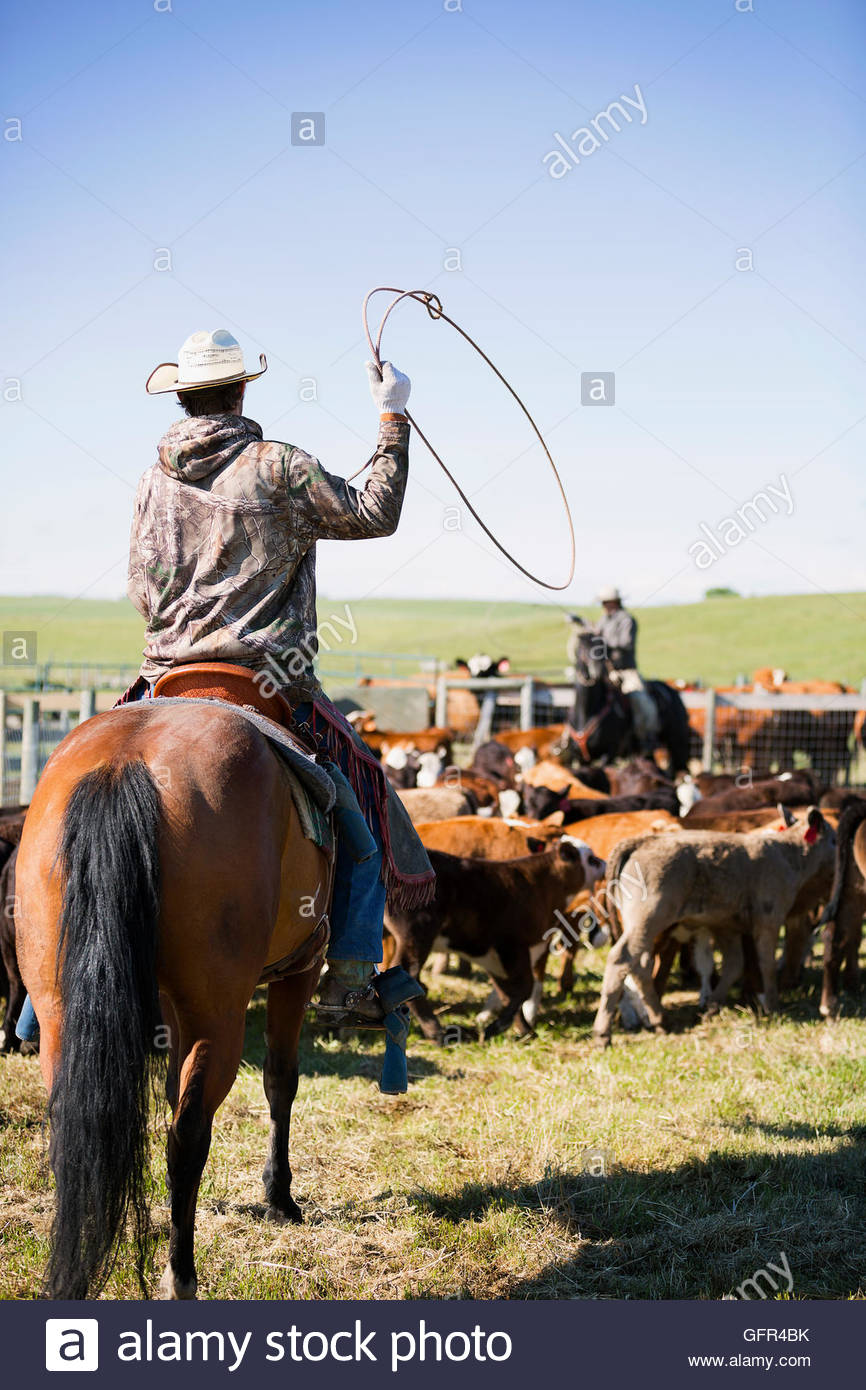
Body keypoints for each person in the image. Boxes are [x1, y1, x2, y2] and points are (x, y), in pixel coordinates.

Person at [567, 587, 659, 754]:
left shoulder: (627, 620)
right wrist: (581, 623)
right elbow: (595, 632)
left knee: (639, 700)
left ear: (615, 602)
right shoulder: (603, 620)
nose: (604, 606)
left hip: (625, 670)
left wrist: (603, 642)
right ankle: (570, 737)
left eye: (606, 602)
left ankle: (644, 736)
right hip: (604, 670)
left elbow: (626, 643)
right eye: (602, 603)